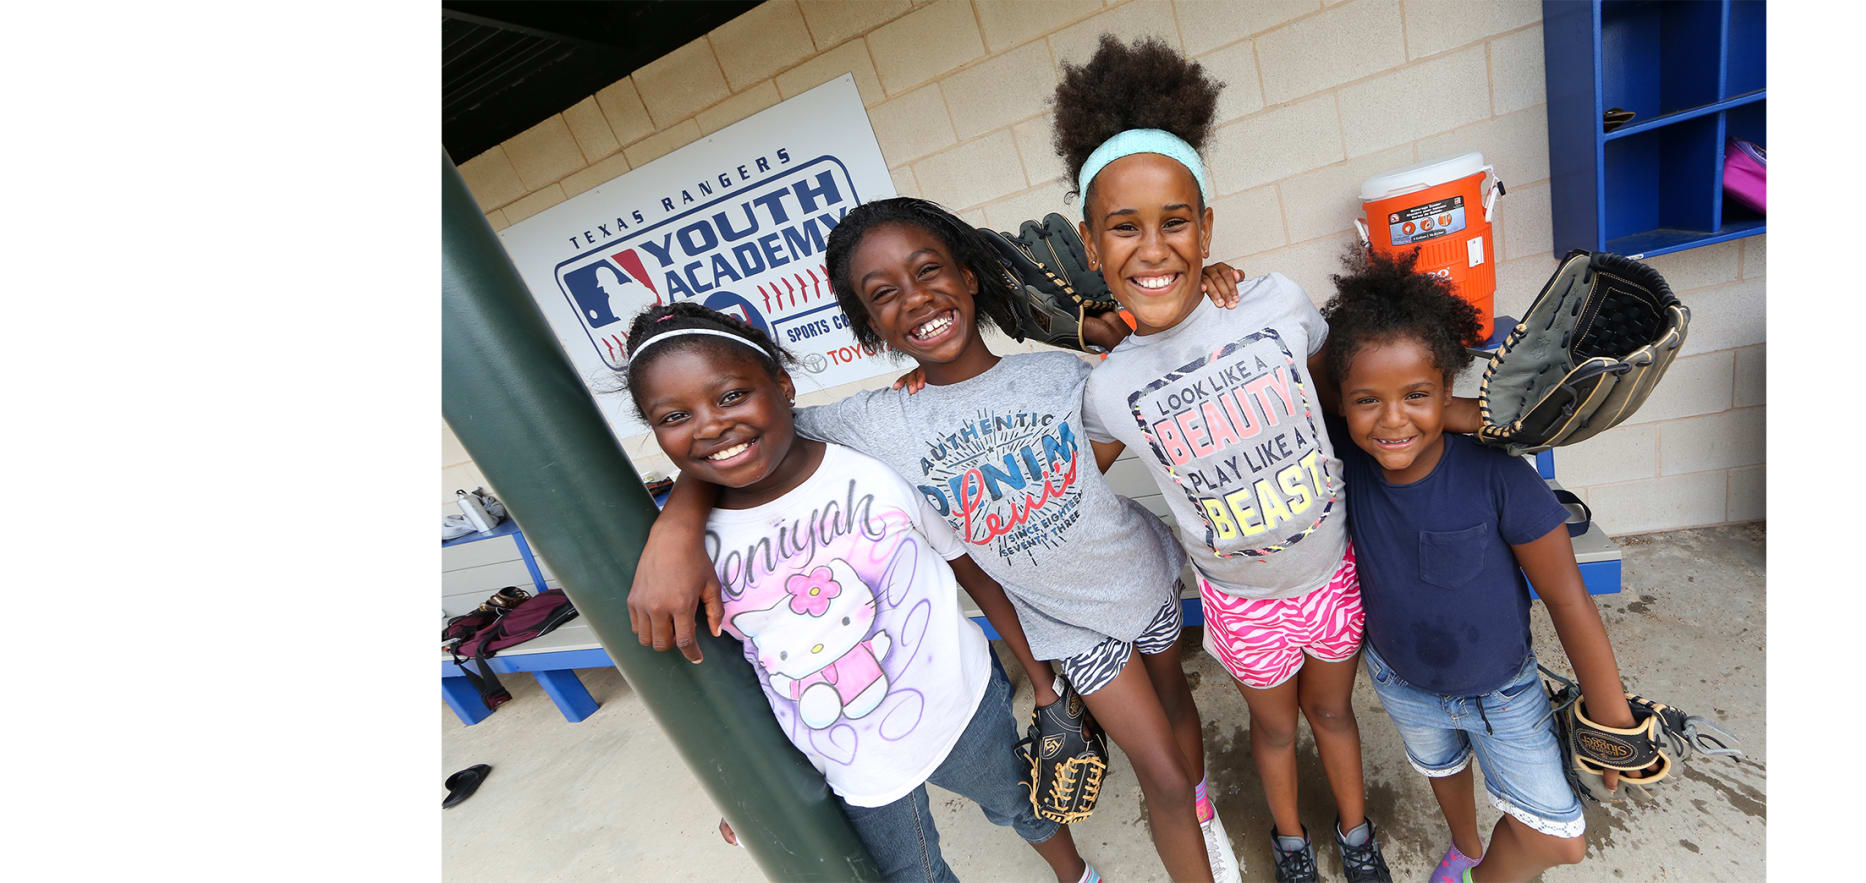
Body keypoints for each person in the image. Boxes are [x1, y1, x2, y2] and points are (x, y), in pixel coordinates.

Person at [627, 198, 1252, 882]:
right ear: (868, 322)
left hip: (1142, 573)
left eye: (929, 270)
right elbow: (742, 432)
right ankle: (1189, 826)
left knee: (1176, 710)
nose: (916, 297)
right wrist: (677, 521)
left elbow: (1153, 391)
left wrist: (1200, 288)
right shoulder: (874, 420)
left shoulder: (1061, 375)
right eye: (883, 293)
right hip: (1066, 623)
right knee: (1157, 770)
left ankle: (1201, 811)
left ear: (971, 275)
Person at [1051, 34, 1484, 883]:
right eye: (1124, 229)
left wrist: (1470, 417)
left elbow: (1349, 398)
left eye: (1176, 222)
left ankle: (1354, 834)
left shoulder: (1274, 303)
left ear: (1205, 227)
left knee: (1333, 712)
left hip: (1330, 575)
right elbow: (1063, 487)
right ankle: (1291, 842)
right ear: (1091, 242)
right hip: (1241, 602)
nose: (1154, 248)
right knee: (1276, 727)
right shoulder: (1109, 389)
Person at [617, 302, 1096, 883]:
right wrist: (741, 790)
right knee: (910, 875)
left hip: (961, 710)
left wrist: (1042, 682)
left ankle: (1076, 875)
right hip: (847, 760)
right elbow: (723, 685)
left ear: (783, 385)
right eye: (673, 416)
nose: (711, 425)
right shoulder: (689, 556)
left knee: (1022, 803)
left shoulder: (870, 469)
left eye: (729, 397)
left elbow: (973, 571)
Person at [1318, 245, 1642, 883]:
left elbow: (1568, 599)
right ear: (1343, 403)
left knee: (1560, 841)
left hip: (1503, 694)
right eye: (1367, 401)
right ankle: (1465, 846)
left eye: (1417, 394)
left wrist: (1612, 716)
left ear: (1449, 387)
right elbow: (1301, 369)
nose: (1392, 420)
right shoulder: (1347, 459)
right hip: (1402, 682)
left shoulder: (1499, 476)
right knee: (1441, 769)